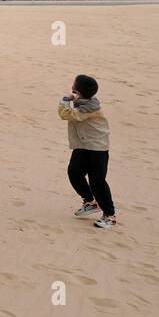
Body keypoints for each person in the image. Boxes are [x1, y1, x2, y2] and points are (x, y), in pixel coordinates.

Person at [58, 74, 117, 228]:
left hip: (97, 148)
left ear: (76, 89)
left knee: (97, 181)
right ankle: (90, 202)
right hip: (83, 146)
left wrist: (65, 99)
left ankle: (110, 215)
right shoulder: (82, 102)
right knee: (74, 172)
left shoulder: (89, 107)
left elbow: (66, 114)